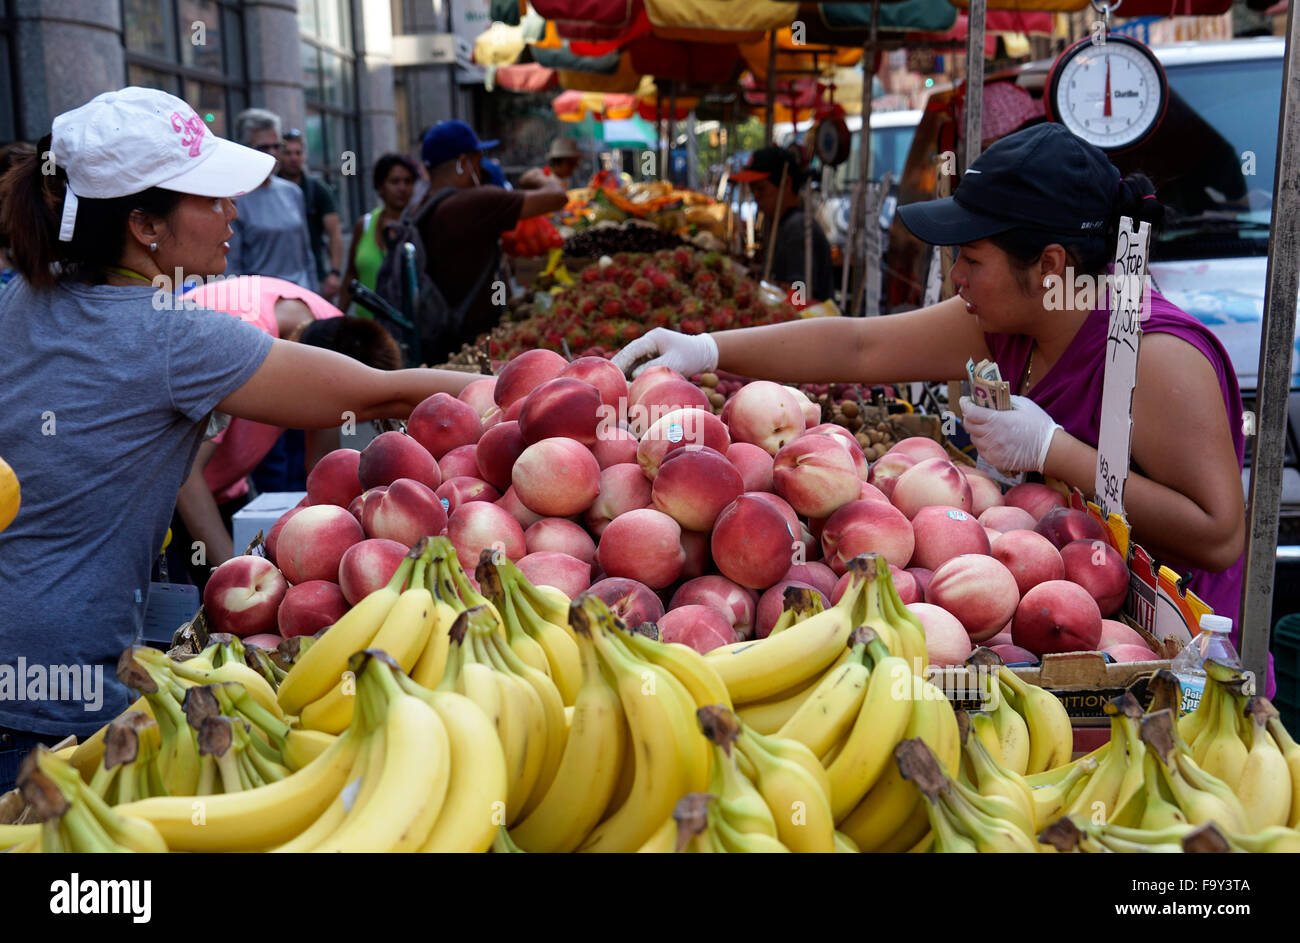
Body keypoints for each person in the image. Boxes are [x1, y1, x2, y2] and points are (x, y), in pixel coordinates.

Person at [614, 123, 1257, 682]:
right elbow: (861, 347)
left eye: (972, 258)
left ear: (1052, 264)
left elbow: (1220, 535)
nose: (957, 278)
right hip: (1049, 630)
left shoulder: (1156, 356)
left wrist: (1054, 450)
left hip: (1166, 668)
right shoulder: (1009, 319)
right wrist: (706, 349)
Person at [0, 87, 477, 786]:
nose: (233, 213)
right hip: (55, 717)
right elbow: (384, 389)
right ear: (144, 224)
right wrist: (552, 384)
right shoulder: (173, 336)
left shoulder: (14, 297)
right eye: (210, 197)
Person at [171, 277, 401, 586]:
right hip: (160, 495)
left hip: (223, 487)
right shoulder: (239, 343)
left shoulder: (331, 330)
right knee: (197, 602)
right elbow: (185, 476)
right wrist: (240, 572)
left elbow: (324, 465)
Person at [416, 120, 567, 359]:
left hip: (435, 342)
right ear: (463, 163)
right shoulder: (475, 202)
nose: (481, 168)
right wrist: (537, 176)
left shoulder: (422, 207)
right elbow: (557, 197)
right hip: (471, 346)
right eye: (478, 160)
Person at [225, 108, 318, 291]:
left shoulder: (292, 192)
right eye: (264, 147)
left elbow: (306, 254)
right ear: (246, 148)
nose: (273, 153)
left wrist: (314, 295)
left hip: (301, 294)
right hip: (261, 300)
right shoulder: (235, 198)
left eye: (277, 146)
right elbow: (231, 265)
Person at [733, 146, 834, 304]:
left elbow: (799, 294)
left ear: (786, 182)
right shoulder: (778, 222)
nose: (756, 198)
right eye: (753, 191)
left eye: (761, 189)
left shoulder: (798, 227)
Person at [337, 153, 419, 317]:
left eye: (407, 181)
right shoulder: (365, 225)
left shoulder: (417, 226)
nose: (402, 188)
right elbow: (351, 275)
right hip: (368, 330)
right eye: (394, 181)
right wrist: (338, 317)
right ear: (380, 187)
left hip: (409, 329)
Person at [279, 128, 343, 302]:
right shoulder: (270, 189)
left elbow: (335, 234)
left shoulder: (318, 190)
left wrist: (334, 273)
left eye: (298, 153)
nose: (293, 157)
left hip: (315, 276)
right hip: (278, 276)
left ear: (304, 156)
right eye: (288, 153)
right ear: (279, 155)